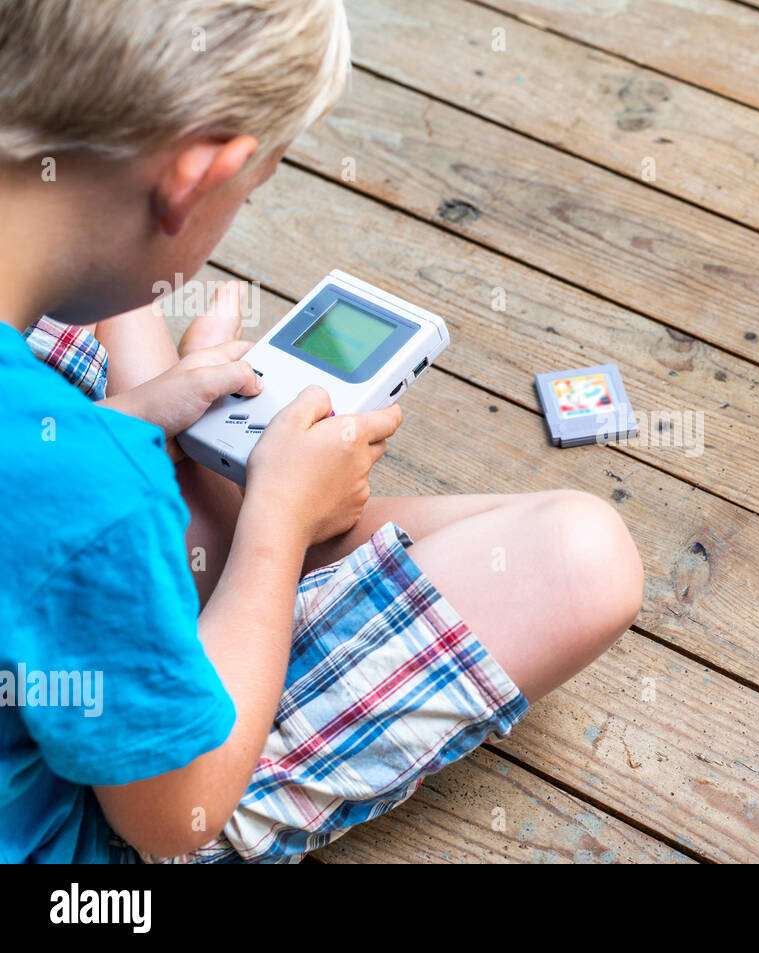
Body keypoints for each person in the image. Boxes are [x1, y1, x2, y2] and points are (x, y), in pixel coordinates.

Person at [0, 0, 643, 863]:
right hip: (104, 829)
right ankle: (227, 538)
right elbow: (168, 820)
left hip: (71, 542)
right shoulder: (92, 494)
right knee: (582, 555)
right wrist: (273, 529)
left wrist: (133, 417)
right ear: (197, 176)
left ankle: (211, 531)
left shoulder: (66, 465)